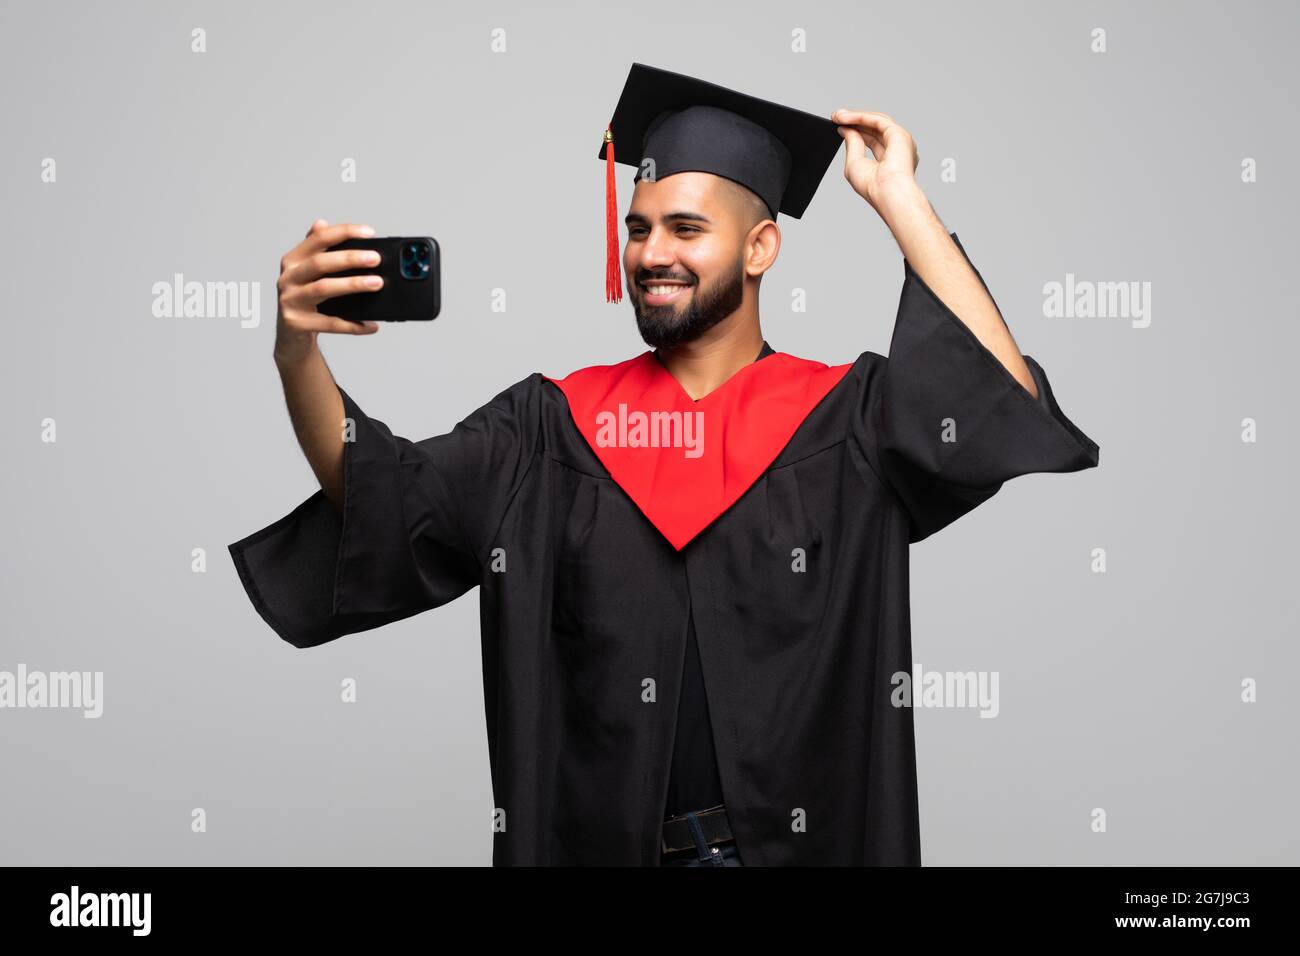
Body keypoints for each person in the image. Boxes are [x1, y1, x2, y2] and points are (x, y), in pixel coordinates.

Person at [228, 62, 1100, 866]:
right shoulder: (550, 426)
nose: (651, 254)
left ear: (761, 248)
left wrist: (902, 200)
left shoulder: (850, 424)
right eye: (638, 228)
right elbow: (381, 493)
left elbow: (998, 403)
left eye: (686, 228)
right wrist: (295, 352)